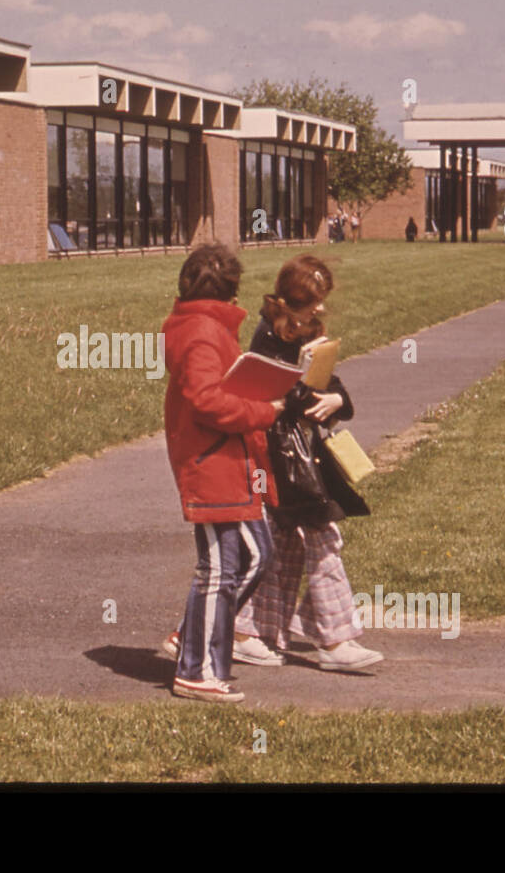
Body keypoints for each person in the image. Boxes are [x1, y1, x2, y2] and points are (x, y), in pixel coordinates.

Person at [232, 254, 384, 671]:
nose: (319, 308)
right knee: (322, 537)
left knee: (285, 545)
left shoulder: (307, 331)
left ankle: (252, 630)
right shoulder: (269, 337)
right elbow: (277, 395)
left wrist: (338, 399)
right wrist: (303, 377)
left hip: (299, 450)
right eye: (313, 299)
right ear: (294, 298)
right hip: (283, 454)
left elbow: (328, 385)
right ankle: (335, 640)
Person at [160, 244, 284, 703]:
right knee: (219, 568)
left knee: (256, 555)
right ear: (232, 289)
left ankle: (191, 635)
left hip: (231, 461)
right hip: (211, 462)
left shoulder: (208, 327)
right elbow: (206, 401)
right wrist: (264, 410)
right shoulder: (201, 333)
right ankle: (197, 669)